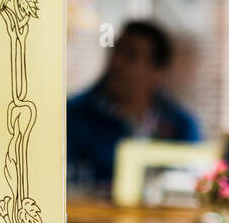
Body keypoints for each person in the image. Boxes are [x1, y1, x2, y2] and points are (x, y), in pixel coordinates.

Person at [67, 21, 202, 191]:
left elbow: (191, 183)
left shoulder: (180, 127)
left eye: (131, 55)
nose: (118, 63)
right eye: (116, 51)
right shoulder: (73, 117)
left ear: (157, 72)